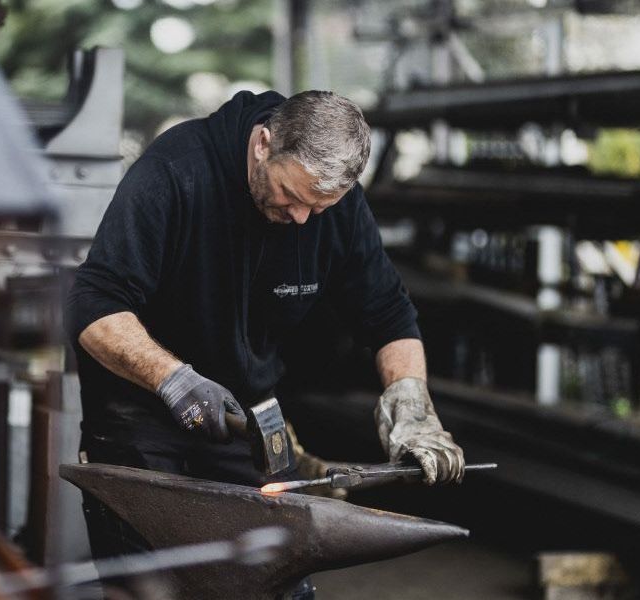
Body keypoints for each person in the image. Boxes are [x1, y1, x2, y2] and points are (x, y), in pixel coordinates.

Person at [64, 90, 465, 598]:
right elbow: (93, 303)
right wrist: (174, 379)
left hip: (246, 425)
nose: (301, 219)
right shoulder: (175, 171)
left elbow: (387, 313)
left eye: (318, 209)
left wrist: (411, 401)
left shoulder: (329, 205)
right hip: (138, 418)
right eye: (291, 196)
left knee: (275, 584)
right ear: (262, 144)